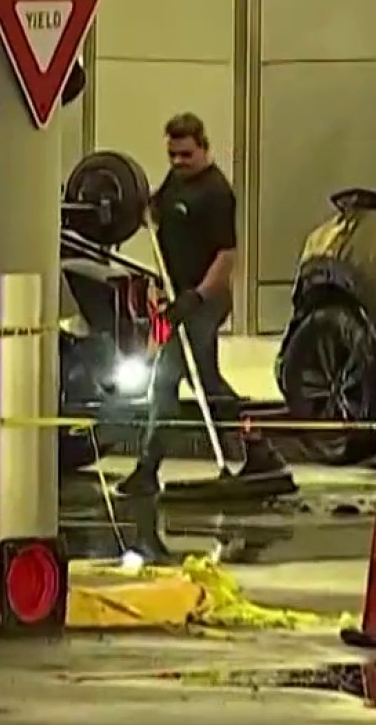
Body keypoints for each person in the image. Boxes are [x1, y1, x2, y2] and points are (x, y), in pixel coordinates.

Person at [116, 113, 289, 497]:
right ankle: (151, 467)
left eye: (186, 155)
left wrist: (196, 297)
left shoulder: (216, 192)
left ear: (204, 147)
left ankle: (257, 451)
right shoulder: (176, 181)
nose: (178, 162)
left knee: (187, 380)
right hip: (175, 300)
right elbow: (156, 209)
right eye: (172, 155)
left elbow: (227, 256)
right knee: (175, 382)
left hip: (205, 300)